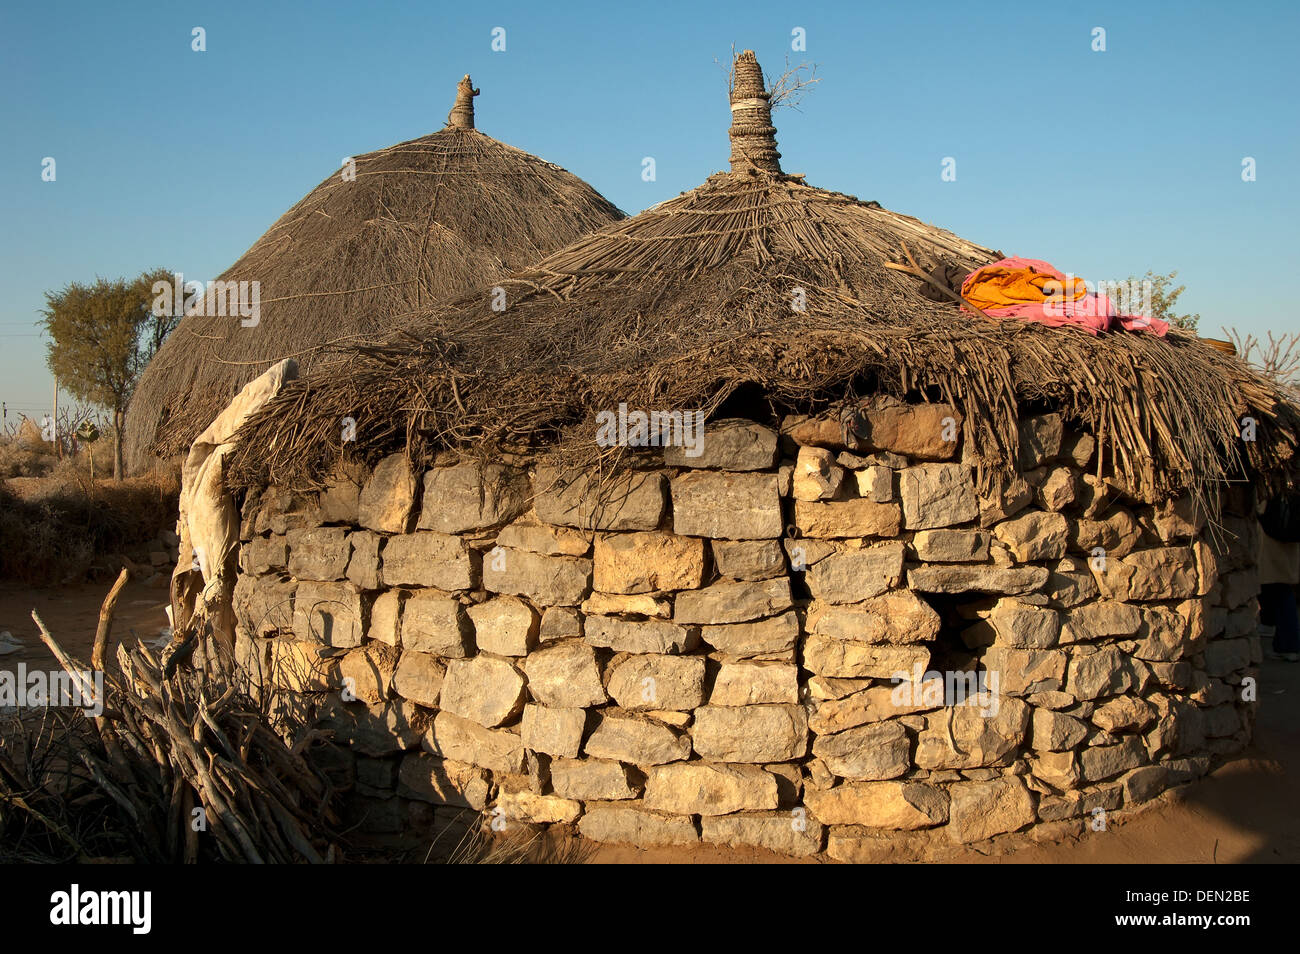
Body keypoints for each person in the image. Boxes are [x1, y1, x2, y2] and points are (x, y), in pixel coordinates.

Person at [1258, 492, 1300, 662]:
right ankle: (1268, 625)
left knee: (1280, 593)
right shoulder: (1291, 490)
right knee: (1276, 590)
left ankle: (1289, 646)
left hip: (1269, 548)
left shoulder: (1271, 491)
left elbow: (1260, 512)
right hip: (1286, 550)